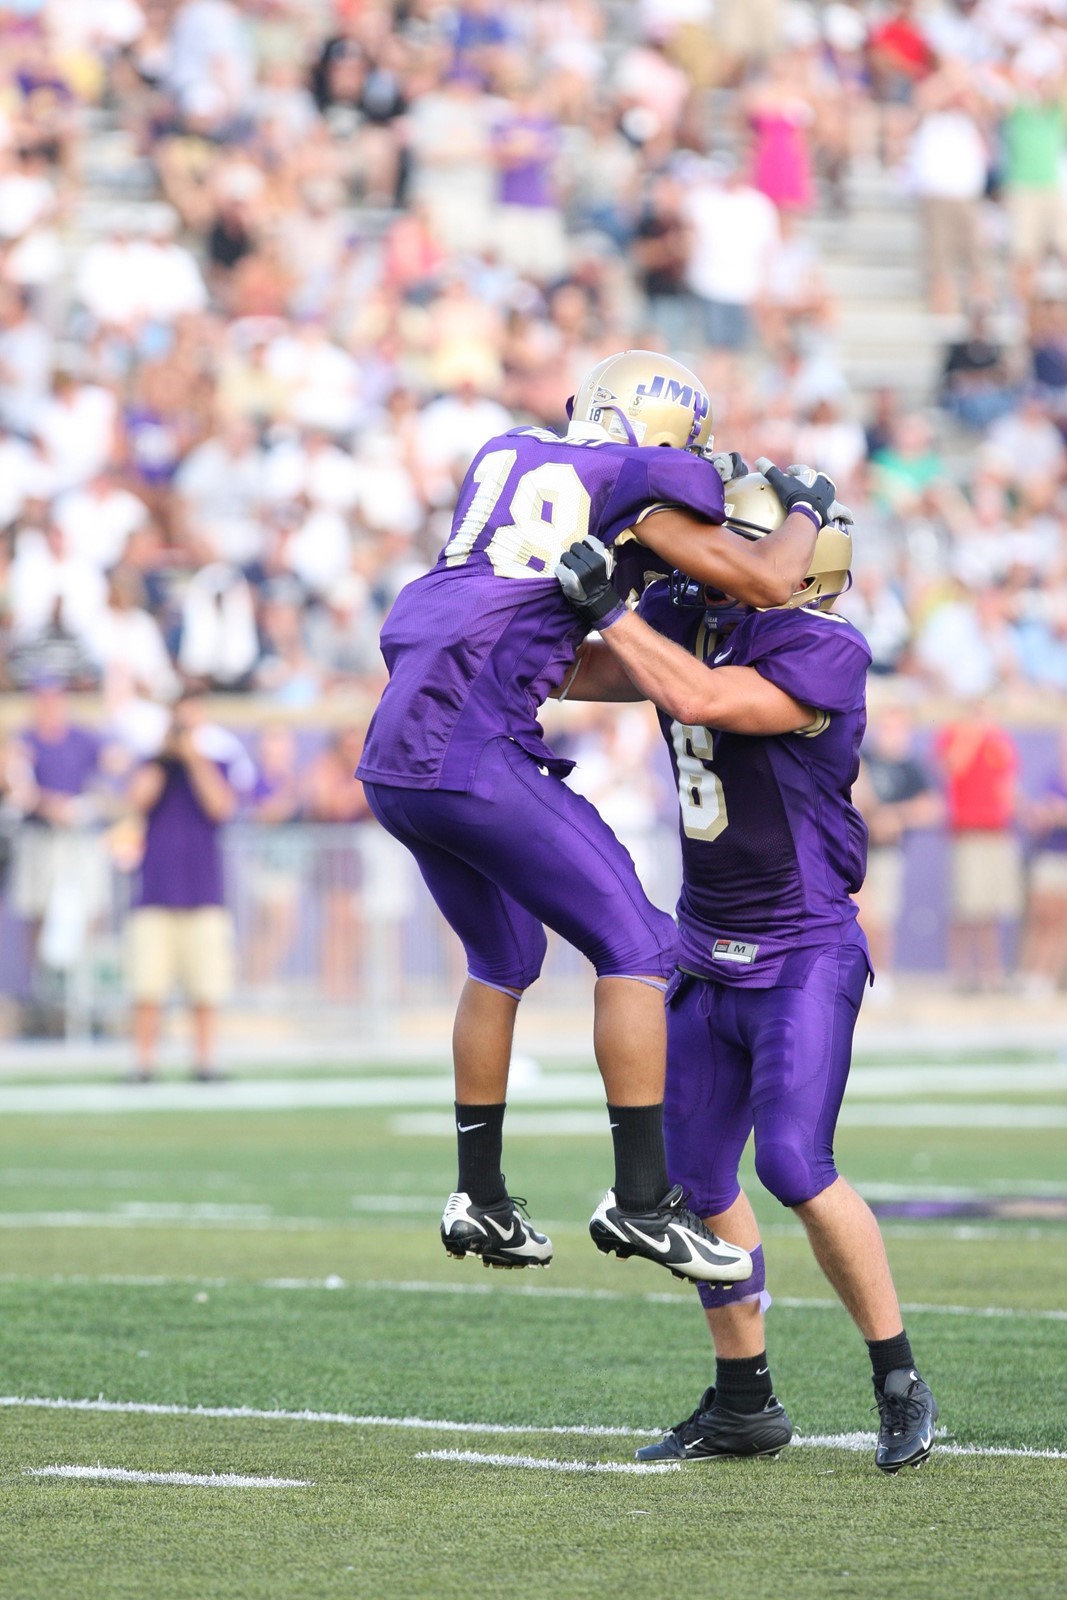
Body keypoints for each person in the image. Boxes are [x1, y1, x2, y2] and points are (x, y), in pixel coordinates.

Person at [357, 348, 835, 1286]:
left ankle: (479, 1197)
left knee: (504, 960)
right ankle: (641, 1199)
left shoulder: (504, 452)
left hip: (394, 754)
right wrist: (808, 505)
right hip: (470, 748)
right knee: (643, 950)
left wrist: (627, 621)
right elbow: (770, 578)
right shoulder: (635, 476)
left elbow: (543, 642)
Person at [552, 464, 937, 1473]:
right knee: (692, 1178)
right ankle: (743, 1402)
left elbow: (695, 694)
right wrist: (522, 619)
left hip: (800, 946)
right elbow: (592, 671)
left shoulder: (824, 646)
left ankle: (896, 1374)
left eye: (736, 548)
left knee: (794, 1166)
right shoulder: (687, 610)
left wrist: (612, 608)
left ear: (799, 570)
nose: (709, 565)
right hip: (703, 946)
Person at [124, 693, 243, 1081]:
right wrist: (164, 754)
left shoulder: (216, 764)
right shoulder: (153, 764)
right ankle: (143, 1063)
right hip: (156, 892)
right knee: (147, 988)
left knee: (206, 989)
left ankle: (205, 1061)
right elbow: (138, 800)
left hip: (202, 891)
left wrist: (194, 757)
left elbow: (220, 806)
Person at [853, 702, 944, 993]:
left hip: (887, 853)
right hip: (856, 850)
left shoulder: (912, 768)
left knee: (882, 918)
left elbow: (933, 808)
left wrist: (897, 816)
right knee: (860, 915)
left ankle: (881, 976)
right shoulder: (862, 758)